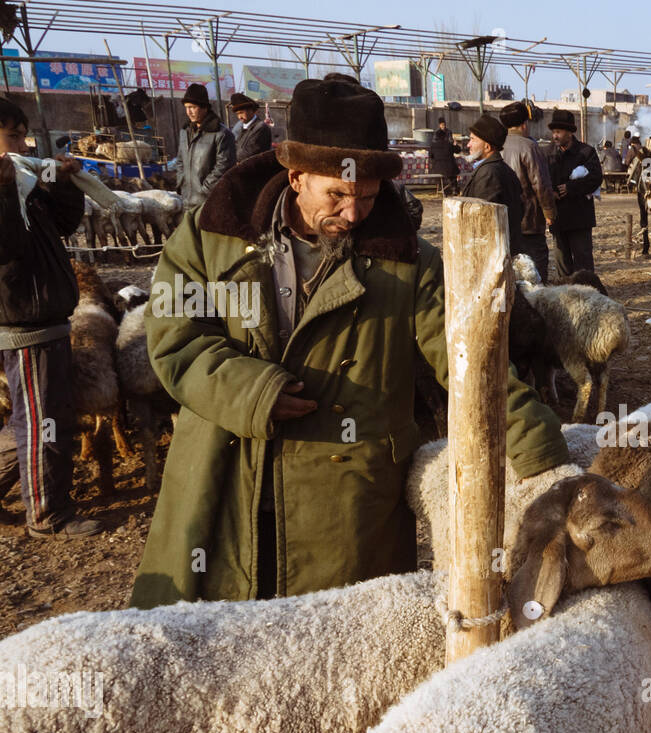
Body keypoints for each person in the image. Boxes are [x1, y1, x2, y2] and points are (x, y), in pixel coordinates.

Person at [129, 77, 567, 608]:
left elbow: (468, 363)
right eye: (336, 194)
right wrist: (249, 392)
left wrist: (543, 458)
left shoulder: (409, 264)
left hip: (348, 506)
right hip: (225, 479)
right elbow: (175, 334)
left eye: (368, 196)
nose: (354, 213)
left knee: (342, 641)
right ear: (296, 175)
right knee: (222, 635)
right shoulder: (212, 235)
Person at [0, 98, 103, 537]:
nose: (25, 146)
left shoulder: (24, 184)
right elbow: (6, 246)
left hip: (44, 321)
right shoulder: (6, 188)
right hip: (25, 325)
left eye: (24, 136)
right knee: (44, 422)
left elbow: (62, 224)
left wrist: (63, 182)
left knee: (33, 416)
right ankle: (47, 513)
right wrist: (7, 187)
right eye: (13, 137)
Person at [501, 101, 557, 282]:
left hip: (505, 219)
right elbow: (540, 183)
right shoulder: (529, 147)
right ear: (525, 124)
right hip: (529, 219)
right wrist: (549, 212)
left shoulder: (498, 146)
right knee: (536, 268)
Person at [545, 109, 602, 281]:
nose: (555, 136)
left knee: (583, 263)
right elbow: (541, 178)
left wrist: (571, 188)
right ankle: (565, 294)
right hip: (558, 217)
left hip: (580, 217)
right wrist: (551, 192)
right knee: (562, 264)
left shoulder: (586, 152)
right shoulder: (547, 153)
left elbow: (596, 178)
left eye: (559, 132)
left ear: (570, 132)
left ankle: (588, 292)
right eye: (554, 132)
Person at [461, 115, 524, 253]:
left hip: (490, 252)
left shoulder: (489, 173)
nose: (468, 144)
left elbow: (482, 218)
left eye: (473, 139)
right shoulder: (498, 169)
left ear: (487, 147)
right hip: (502, 248)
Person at [176, 83, 236, 211]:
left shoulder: (221, 134)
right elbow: (180, 160)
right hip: (187, 200)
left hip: (209, 202)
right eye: (186, 107)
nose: (189, 112)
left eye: (193, 107)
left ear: (204, 107)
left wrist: (205, 190)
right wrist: (182, 182)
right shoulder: (185, 132)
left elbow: (223, 167)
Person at [228, 92, 272, 163]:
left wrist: (230, 158)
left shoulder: (261, 127)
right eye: (237, 114)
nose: (239, 117)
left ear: (251, 111)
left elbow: (249, 152)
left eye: (241, 112)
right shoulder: (243, 127)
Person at [428, 118, 460, 194]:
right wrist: (455, 145)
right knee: (452, 171)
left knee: (444, 170)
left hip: (437, 169)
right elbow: (458, 150)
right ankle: (454, 188)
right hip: (450, 169)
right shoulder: (449, 145)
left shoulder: (433, 145)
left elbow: (430, 156)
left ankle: (441, 187)